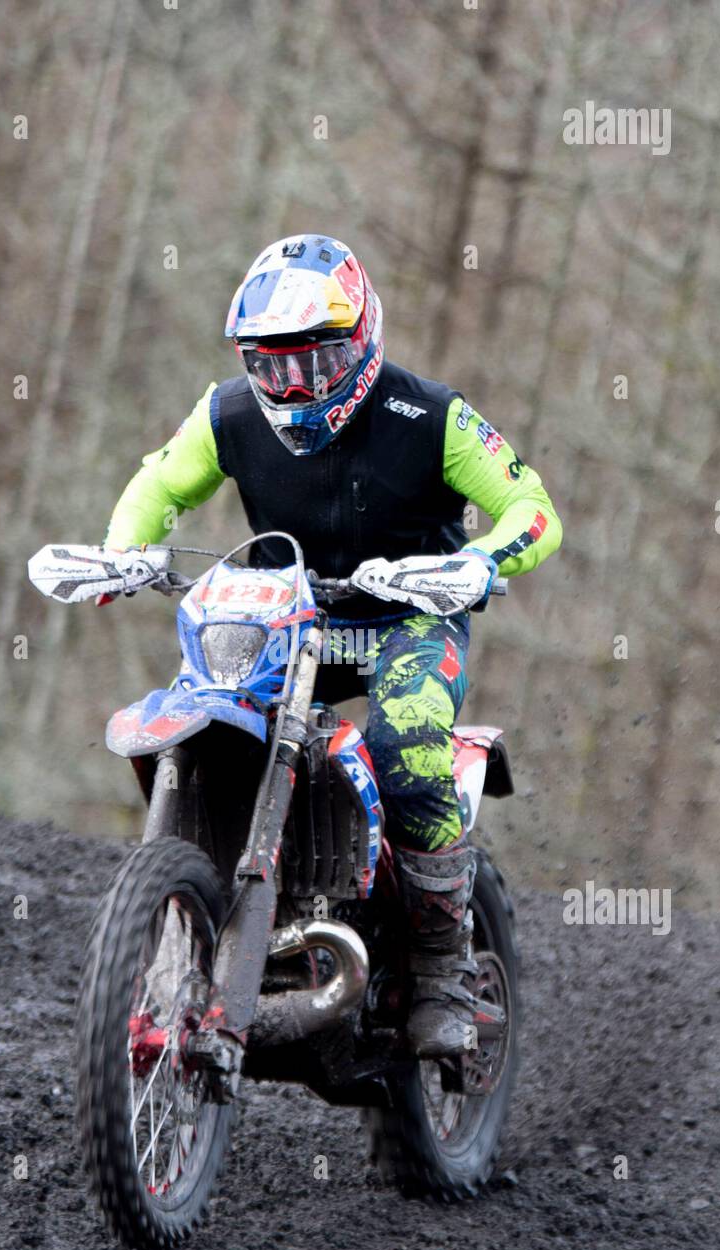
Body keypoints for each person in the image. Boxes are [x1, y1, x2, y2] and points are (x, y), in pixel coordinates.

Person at [104, 234, 562, 1057]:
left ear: (360, 339)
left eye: (313, 363)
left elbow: (533, 507)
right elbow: (161, 483)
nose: (292, 385)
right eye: (271, 364)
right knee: (203, 709)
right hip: (292, 615)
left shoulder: (431, 417)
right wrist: (126, 549)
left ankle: (440, 969)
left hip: (410, 619)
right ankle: (223, 894)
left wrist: (477, 564)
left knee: (406, 739)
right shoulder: (230, 415)